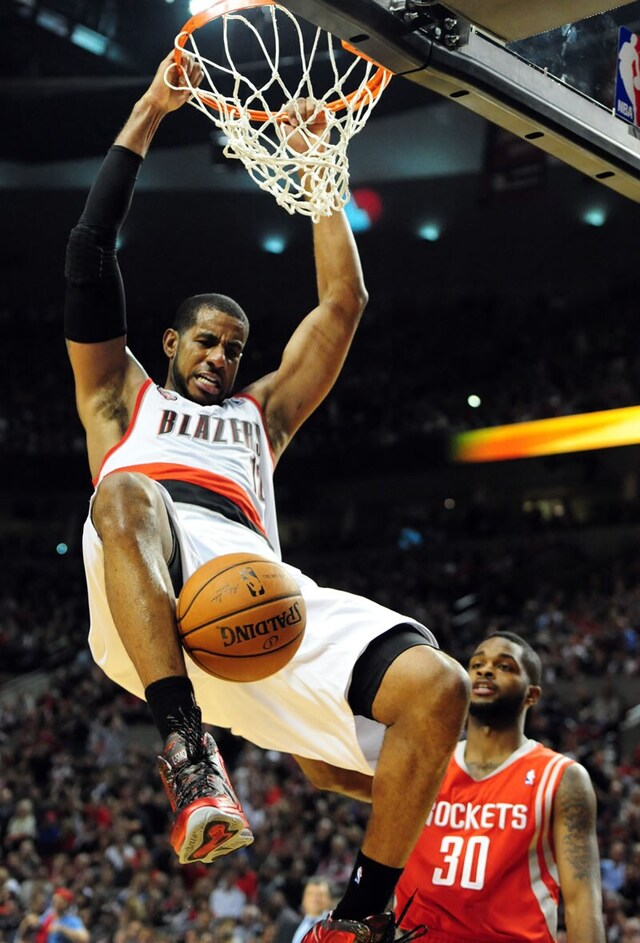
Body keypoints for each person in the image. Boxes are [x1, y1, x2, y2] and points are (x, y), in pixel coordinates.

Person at [63, 50, 470, 943]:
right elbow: (89, 251)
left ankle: (358, 916)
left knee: (439, 685)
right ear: (170, 341)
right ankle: (189, 753)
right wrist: (149, 110)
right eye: (207, 341)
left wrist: (323, 165)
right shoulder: (120, 399)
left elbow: (344, 300)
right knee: (126, 490)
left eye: (235, 349)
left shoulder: (264, 417)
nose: (221, 357)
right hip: (150, 587)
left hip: (258, 594)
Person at [394, 632, 606, 943]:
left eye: (504, 666)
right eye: (477, 664)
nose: (485, 670)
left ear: (531, 695)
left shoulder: (561, 777)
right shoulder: (424, 762)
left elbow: (581, 904)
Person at [18, 888, 89, 943]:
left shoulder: (71, 920)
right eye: (54, 901)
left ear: (66, 904)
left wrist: (62, 929)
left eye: (59, 901)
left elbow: (84, 938)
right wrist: (27, 921)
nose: (55, 903)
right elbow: (31, 926)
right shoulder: (48, 917)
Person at [274, 877, 333, 943]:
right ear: (303, 899)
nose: (315, 899)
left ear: (329, 900)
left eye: (320, 895)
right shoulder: (288, 928)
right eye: (310, 894)